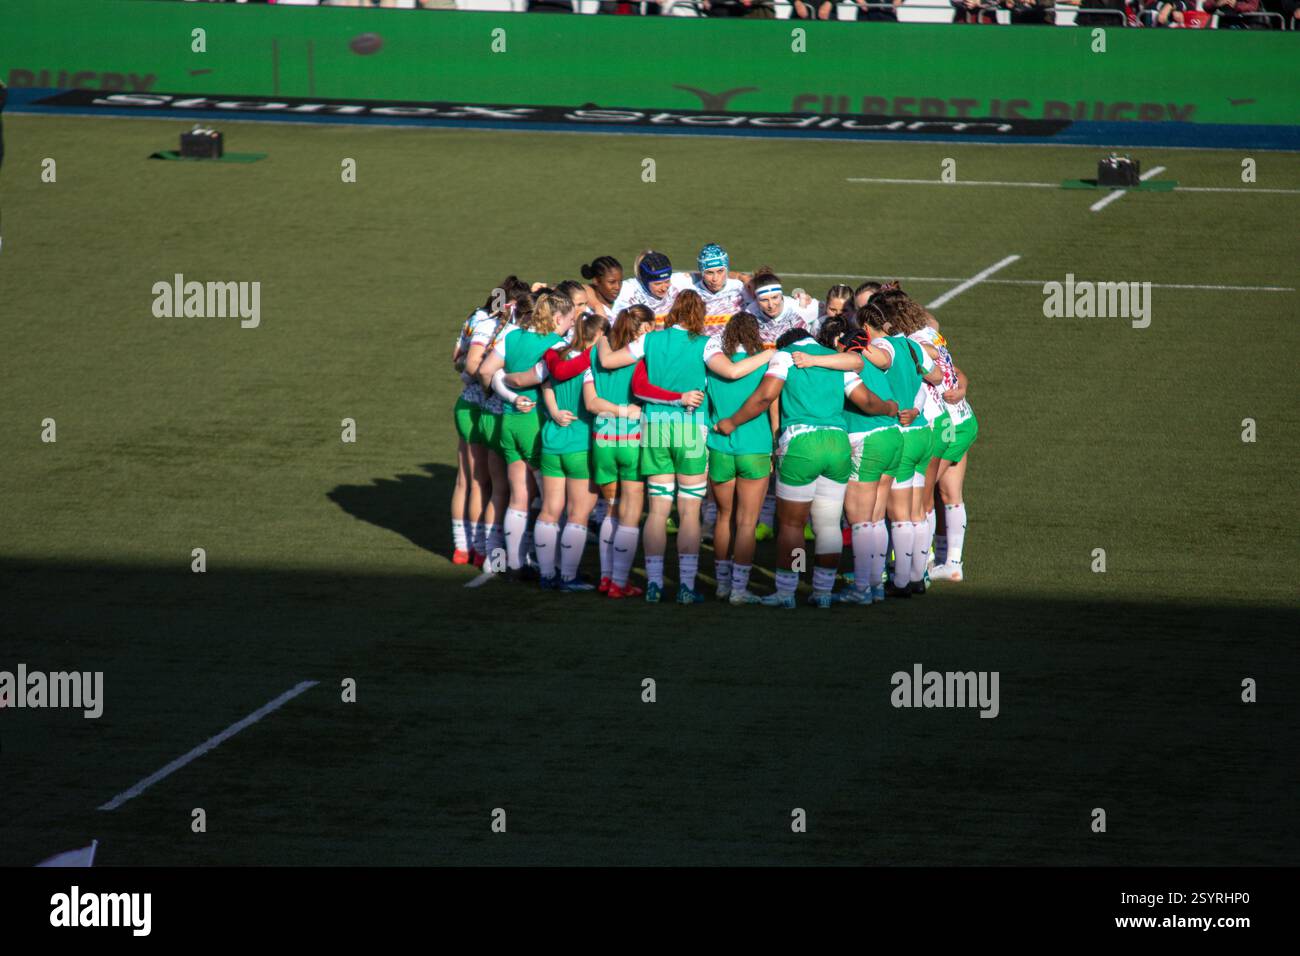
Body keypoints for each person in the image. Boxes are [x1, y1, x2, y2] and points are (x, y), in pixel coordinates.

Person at [718, 326, 896, 609]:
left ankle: (788, 590)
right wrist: (889, 408)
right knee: (827, 524)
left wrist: (732, 421)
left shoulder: (785, 356)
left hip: (801, 444)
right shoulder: (836, 359)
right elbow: (866, 400)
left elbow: (765, 396)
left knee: (793, 524)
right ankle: (823, 591)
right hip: (837, 444)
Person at [596, 291, 712, 604]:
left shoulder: (650, 341)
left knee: (658, 511)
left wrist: (600, 334)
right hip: (690, 429)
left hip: (655, 427)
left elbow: (609, 361)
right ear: (700, 314)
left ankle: (654, 585)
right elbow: (727, 373)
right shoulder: (706, 343)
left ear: (673, 311)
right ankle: (686, 587)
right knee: (689, 512)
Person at [494, 312, 608, 591]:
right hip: (581, 444)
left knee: (549, 509)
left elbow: (535, 383)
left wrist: (501, 377)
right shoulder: (596, 362)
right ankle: (568, 577)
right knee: (579, 513)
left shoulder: (555, 357)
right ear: (598, 337)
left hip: (551, 442)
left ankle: (547, 575)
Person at [477, 290, 577, 580]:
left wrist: (508, 395)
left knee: (518, 496)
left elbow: (485, 371)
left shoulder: (512, 337)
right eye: (570, 320)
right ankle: (553, 565)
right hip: (535, 423)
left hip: (509, 422)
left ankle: (516, 564)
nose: (572, 326)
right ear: (558, 318)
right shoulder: (558, 344)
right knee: (550, 501)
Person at [704, 311, 779, 604]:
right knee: (747, 522)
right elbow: (771, 405)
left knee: (723, 517)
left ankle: (722, 585)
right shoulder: (766, 364)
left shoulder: (714, 367)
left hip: (720, 446)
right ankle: (739, 588)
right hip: (756, 448)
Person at [585, 305, 655, 599]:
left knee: (610, 510)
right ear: (643, 329)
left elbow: (591, 403)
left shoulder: (593, 353)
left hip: (602, 439)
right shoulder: (643, 356)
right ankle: (619, 582)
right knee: (630, 514)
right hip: (632, 440)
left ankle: (605, 578)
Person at [609, 250, 681, 330]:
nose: (664, 288)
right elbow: (594, 290)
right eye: (657, 284)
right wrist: (596, 305)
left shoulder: (679, 281)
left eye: (667, 281)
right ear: (644, 281)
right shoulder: (626, 290)